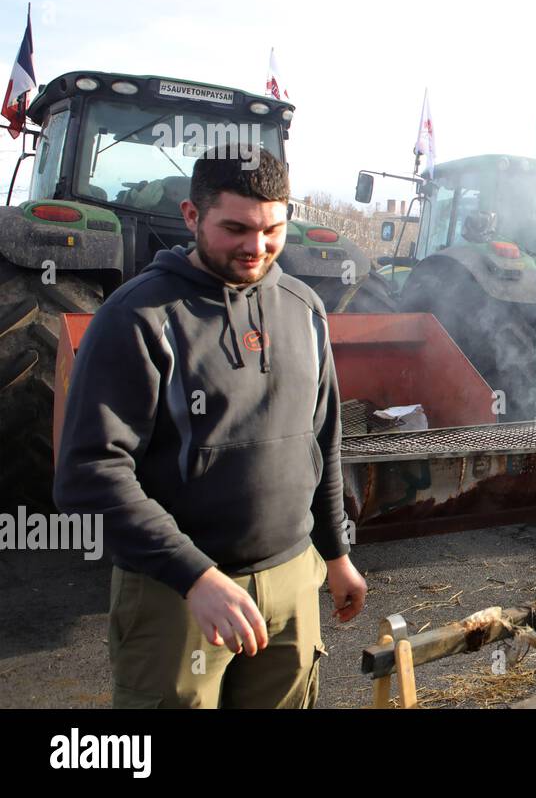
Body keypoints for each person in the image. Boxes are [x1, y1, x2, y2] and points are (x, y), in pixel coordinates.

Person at [55, 146, 367, 708]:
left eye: (273, 229)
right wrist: (194, 576)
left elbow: (321, 441)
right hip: (176, 595)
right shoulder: (137, 318)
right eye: (236, 229)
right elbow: (89, 474)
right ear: (192, 216)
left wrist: (337, 551)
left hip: (293, 581)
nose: (257, 247)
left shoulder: (305, 309)